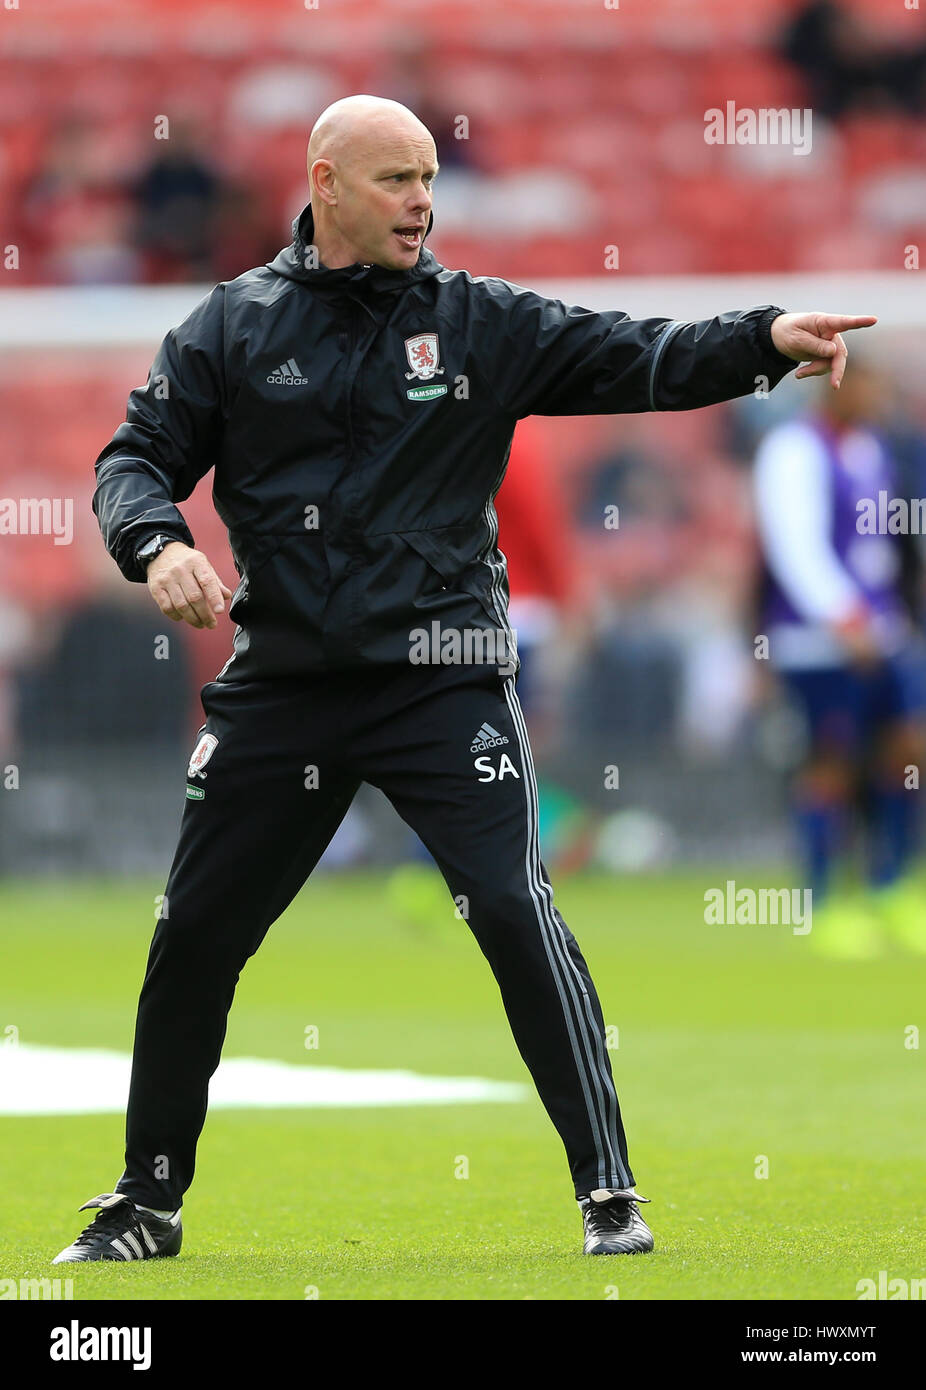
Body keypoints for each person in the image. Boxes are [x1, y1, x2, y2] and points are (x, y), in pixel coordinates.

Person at [52, 94, 876, 1264]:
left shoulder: (477, 322)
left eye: (430, 177)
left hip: (440, 679)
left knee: (507, 903)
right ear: (326, 183)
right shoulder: (231, 327)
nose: (422, 201)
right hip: (284, 683)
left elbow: (633, 350)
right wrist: (158, 542)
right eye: (396, 179)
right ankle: (147, 1199)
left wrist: (757, 338)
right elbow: (134, 455)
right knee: (194, 932)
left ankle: (607, 1189)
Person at [753, 360, 926, 958]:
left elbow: (884, 550)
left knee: (906, 752)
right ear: (840, 386)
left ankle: (890, 888)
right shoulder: (793, 451)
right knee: (831, 764)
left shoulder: (871, 450)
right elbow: (794, 546)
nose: (880, 397)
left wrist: (892, 618)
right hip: (817, 639)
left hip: (881, 632)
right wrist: (842, 616)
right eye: (872, 385)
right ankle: (824, 903)